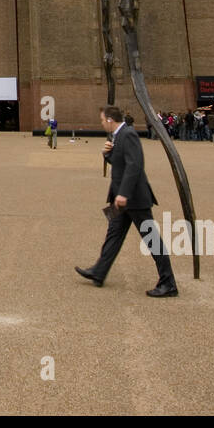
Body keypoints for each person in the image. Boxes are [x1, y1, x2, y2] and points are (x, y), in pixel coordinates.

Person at [75, 105, 177, 297]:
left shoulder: (128, 134)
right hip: (122, 201)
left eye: (102, 120)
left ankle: (168, 283)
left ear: (110, 120)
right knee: (113, 235)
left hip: (134, 199)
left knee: (152, 240)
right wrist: (108, 154)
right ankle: (99, 271)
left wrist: (124, 194)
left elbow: (135, 165)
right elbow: (121, 163)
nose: (102, 123)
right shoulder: (119, 136)